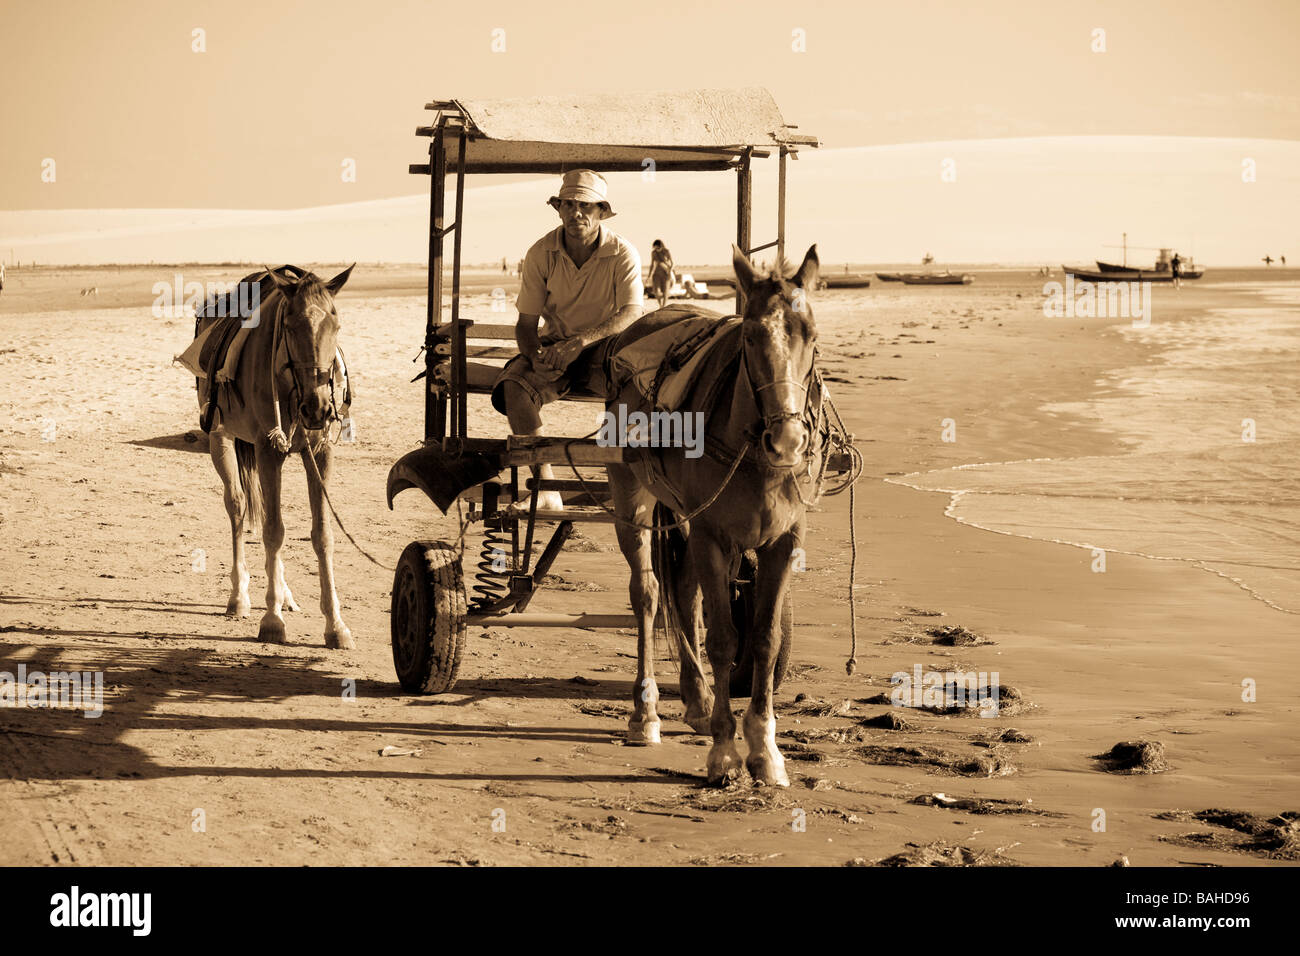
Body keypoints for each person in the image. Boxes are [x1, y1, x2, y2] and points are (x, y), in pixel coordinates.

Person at [491, 169, 644, 510]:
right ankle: (545, 488)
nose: (577, 213)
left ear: (602, 212)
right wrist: (533, 357)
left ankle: (637, 486)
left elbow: (632, 313)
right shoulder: (540, 253)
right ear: (558, 209)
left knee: (640, 388)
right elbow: (526, 325)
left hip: (608, 351)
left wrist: (581, 343)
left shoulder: (622, 253)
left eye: (586, 206)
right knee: (514, 384)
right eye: (569, 205)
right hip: (556, 351)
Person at [649, 239, 675, 309]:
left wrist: (670, 270)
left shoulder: (666, 251)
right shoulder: (653, 253)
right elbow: (652, 264)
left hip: (666, 273)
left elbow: (672, 263)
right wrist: (649, 275)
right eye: (655, 248)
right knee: (656, 291)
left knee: (666, 291)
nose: (656, 249)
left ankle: (663, 306)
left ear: (661, 246)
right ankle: (660, 305)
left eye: (658, 247)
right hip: (656, 274)